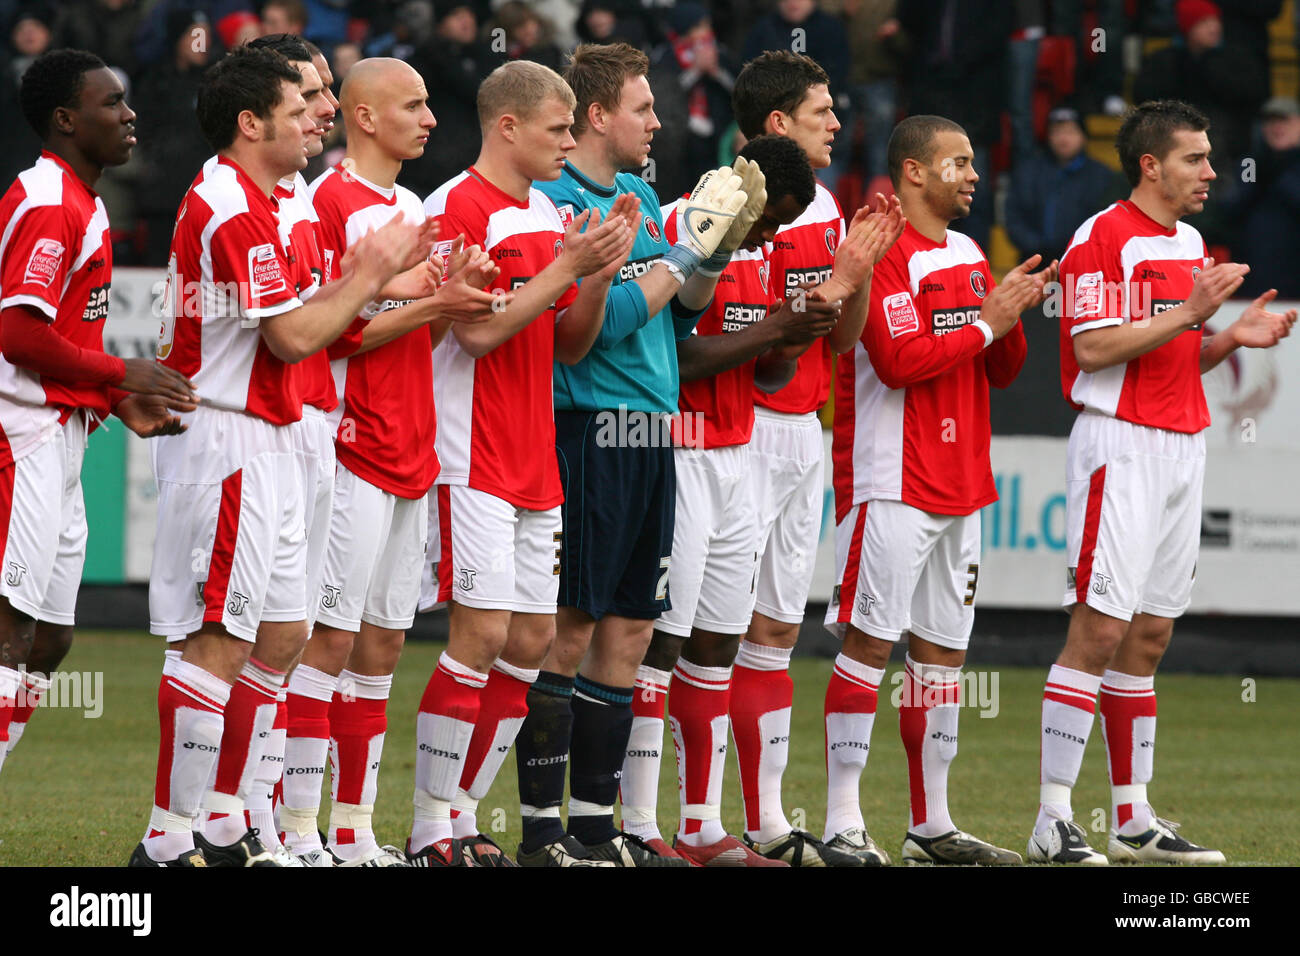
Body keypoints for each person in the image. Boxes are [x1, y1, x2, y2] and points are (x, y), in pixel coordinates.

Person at [132, 44, 431, 867]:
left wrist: (392, 280)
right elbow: (296, 332)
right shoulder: (230, 207)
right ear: (250, 121)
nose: (317, 118)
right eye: (302, 107)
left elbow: (315, 307)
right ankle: (166, 838)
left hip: (281, 432)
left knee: (284, 633)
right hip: (229, 436)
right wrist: (371, 273)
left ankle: (229, 820)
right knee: (219, 639)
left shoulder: (285, 195)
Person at [1028, 99, 1294, 865]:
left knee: (1149, 636)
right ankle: (1052, 819)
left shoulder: (1187, 241)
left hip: (1183, 443)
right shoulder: (1101, 237)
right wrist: (1189, 313)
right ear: (1151, 165)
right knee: (1100, 631)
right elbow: (1096, 348)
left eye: (1211, 158)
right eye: (1194, 159)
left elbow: (1173, 348)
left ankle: (1133, 818)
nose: (1212, 172)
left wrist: (1225, 337)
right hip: (1119, 447)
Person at [508, 42, 752, 868]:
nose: (657, 122)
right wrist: (682, 257)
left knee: (631, 630)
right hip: (588, 428)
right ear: (596, 117)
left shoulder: (643, 196)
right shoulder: (557, 202)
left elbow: (673, 322)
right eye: (643, 109)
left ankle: (593, 827)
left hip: (653, 430)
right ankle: (541, 830)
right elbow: (596, 329)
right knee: (570, 626)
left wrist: (709, 262)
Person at [408, 59, 642, 868]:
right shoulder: (453, 208)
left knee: (534, 637)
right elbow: (473, 332)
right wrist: (564, 270)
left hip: (532, 449)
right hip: (468, 447)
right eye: (556, 128)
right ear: (507, 127)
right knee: (478, 634)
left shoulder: (546, 211)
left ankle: (464, 814)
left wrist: (599, 270)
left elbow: (567, 342)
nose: (569, 142)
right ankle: (429, 826)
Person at [275, 56, 500, 868]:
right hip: (352, 445)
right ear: (365, 119)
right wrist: (434, 300)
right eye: (413, 105)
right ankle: (293, 827)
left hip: (414, 449)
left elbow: (416, 337)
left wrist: (452, 297)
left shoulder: (408, 205)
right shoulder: (327, 201)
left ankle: (352, 828)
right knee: (325, 644)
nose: (430, 118)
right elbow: (334, 333)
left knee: (377, 650)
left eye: (430, 105)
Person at [649, 132, 883, 867]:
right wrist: (777, 331)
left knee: (718, 643)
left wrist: (791, 337)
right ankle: (632, 822)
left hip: (735, 450)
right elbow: (672, 357)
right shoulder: (681, 224)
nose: (778, 234)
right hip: (677, 451)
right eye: (774, 219)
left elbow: (764, 378)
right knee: (660, 643)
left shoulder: (755, 249)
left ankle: (700, 828)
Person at [826, 114, 1048, 865]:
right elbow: (897, 361)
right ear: (913, 172)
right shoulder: (882, 254)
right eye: (958, 162)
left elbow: (1001, 369)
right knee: (868, 646)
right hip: (892, 475)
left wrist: (1009, 315)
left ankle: (931, 825)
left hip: (961, 485)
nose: (973, 175)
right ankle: (840, 820)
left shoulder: (969, 252)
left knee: (943, 662)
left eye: (974, 162)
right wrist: (988, 322)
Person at [0, 49, 196, 778]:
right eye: (111, 103)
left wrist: (117, 398)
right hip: (20, 435)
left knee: (49, 639)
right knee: (11, 629)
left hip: (60, 437)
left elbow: (60, 334)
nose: (129, 114)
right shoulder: (51, 201)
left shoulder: (80, 200)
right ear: (65, 120)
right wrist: (123, 369)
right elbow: (17, 333)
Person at [1004, 105, 1125, 267]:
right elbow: (1013, 217)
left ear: (1083, 136)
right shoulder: (1028, 171)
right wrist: (1037, 247)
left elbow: (1108, 223)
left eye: (1070, 132)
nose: (1063, 138)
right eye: (1057, 132)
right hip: (1033, 262)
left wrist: (1077, 248)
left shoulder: (1102, 175)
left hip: (1085, 264)